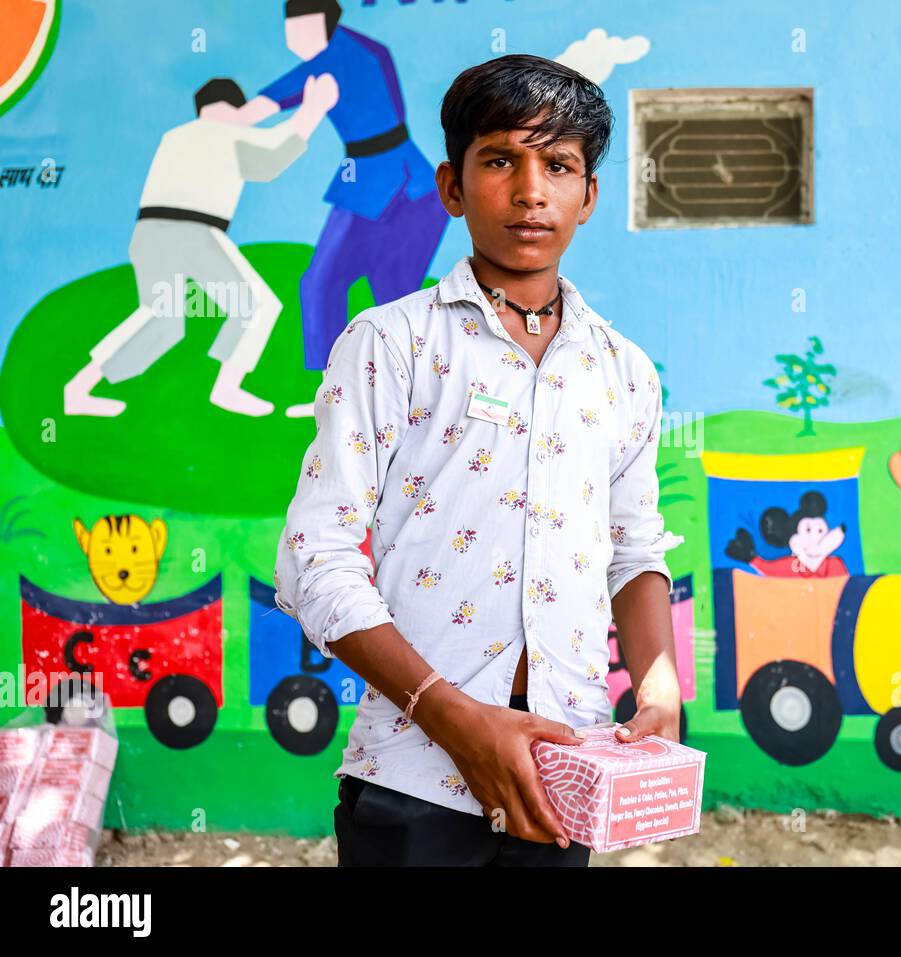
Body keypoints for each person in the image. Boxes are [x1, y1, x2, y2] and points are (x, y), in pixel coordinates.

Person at [272, 54, 682, 866]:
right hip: (413, 778)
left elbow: (635, 551)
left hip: (566, 771)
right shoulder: (391, 344)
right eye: (500, 160)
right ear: (451, 188)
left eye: (559, 164)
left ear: (589, 195)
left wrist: (659, 681)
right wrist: (455, 719)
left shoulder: (625, 371)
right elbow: (310, 561)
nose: (531, 189)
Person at [64, 74, 338, 418]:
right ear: (235, 108)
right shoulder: (225, 133)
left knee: (161, 319)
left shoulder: (177, 135)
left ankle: (78, 388)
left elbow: (260, 144)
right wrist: (314, 109)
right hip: (193, 233)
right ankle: (227, 387)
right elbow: (272, 158)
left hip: (149, 233)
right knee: (255, 305)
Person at [235, 0, 449, 417]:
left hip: (392, 188)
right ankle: (348, 397)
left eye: (297, 26)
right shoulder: (354, 50)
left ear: (320, 22)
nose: (291, 37)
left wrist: (225, 123)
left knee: (331, 284)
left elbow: (263, 107)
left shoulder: (338, 57)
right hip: (403, 188)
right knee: (372, 294)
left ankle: (361, 399)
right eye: (288, 27)